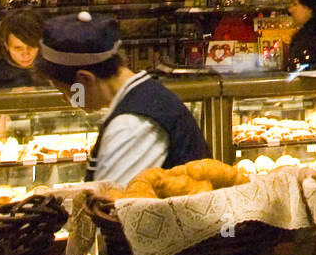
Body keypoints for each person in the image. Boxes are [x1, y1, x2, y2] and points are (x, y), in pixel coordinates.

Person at [34, 10, 210, 185]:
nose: (68, 100)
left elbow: (111, 206)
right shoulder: (143, 97)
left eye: (66, 91)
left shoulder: (132, 125)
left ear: (84, 79)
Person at [0, 9, 42, 90]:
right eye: (18, 48)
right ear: (6, 45)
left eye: (31, 46)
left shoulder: (53, 73)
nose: (26, 54)